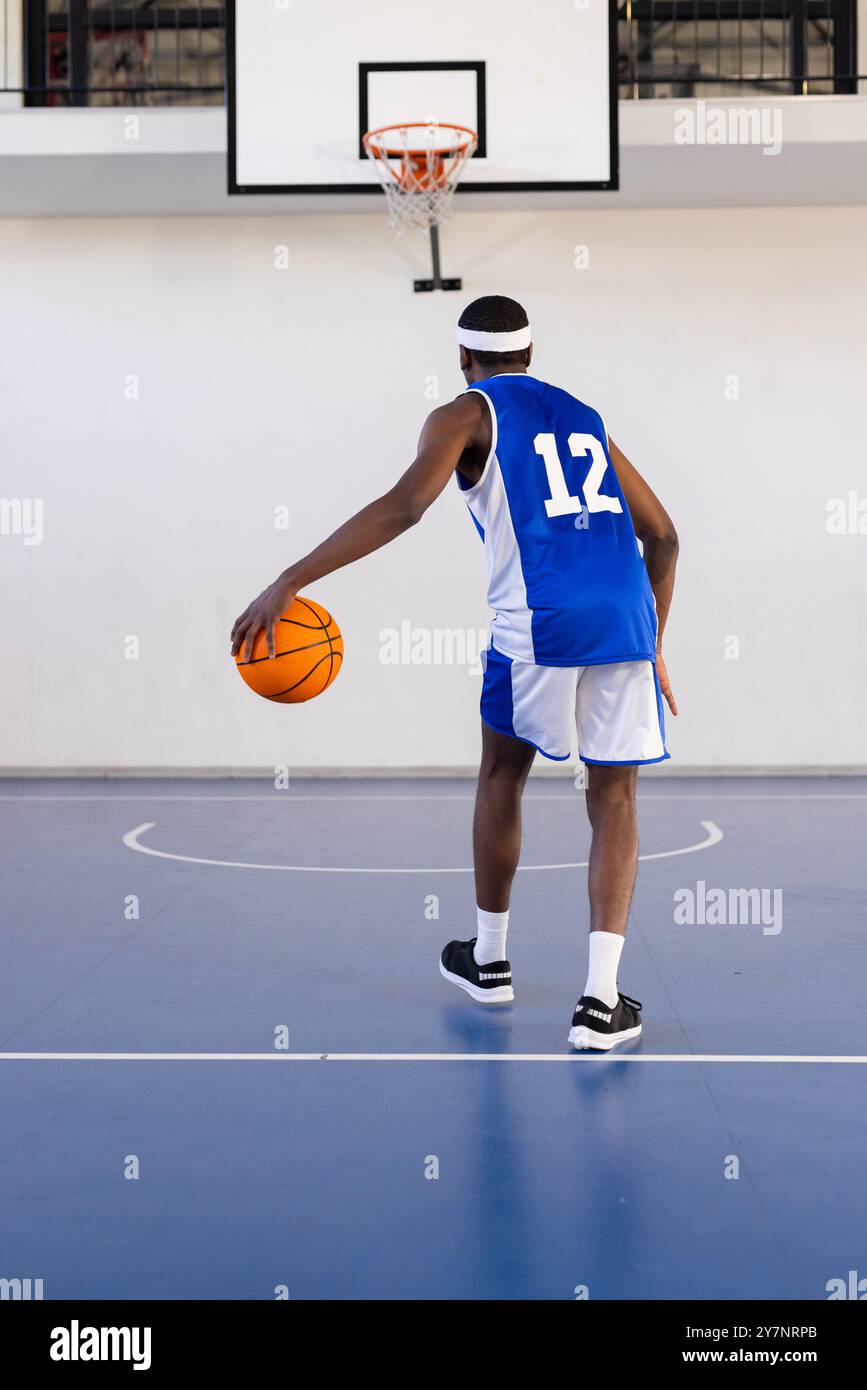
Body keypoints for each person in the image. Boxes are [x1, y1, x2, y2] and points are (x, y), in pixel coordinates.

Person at [231, 295, 679, 1050]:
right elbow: (662, 534)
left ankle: (491, 960)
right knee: (614, 791)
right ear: (532, 357)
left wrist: (290, 579)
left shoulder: (464, 415)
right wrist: (653, 640)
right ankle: (600, 1003)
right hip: (625, 617)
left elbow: (406, 506)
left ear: (463, 359)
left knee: (503, 773)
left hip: (539, 620)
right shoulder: (584, 417)